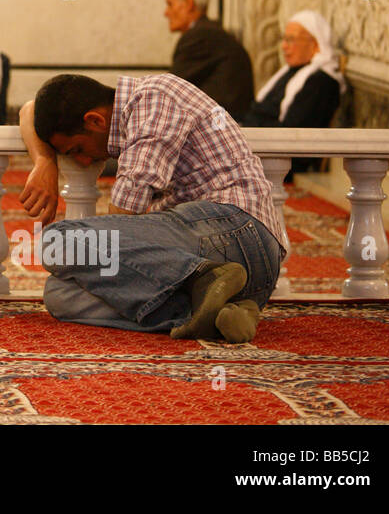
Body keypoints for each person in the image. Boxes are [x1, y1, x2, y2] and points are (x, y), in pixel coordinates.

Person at [17, 72, 287, 343]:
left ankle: (202, 278)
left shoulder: (155, 96)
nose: (83, 162)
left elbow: (122, 219)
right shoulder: (140, 105)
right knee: (60, 294)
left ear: (95, 120)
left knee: (57, 239)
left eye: (76, 149)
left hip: (234, 229)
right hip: (242, 276)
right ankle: (215, 312)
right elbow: (29, 109)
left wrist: (89, 255)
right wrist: (44, 161)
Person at [165, 0, 254, 120]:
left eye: (170, 4)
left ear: (189, 3)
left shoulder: (201, 36)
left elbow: (168, 90)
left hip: (221, 125)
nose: (166, 13)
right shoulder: (210, 32)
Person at [244, 10, 344, 130]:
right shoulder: (291, 71)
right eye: (284, 39)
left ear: (315, 44)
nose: (284, 46)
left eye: (290, 40)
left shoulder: (322, 82)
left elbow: (292, 130)